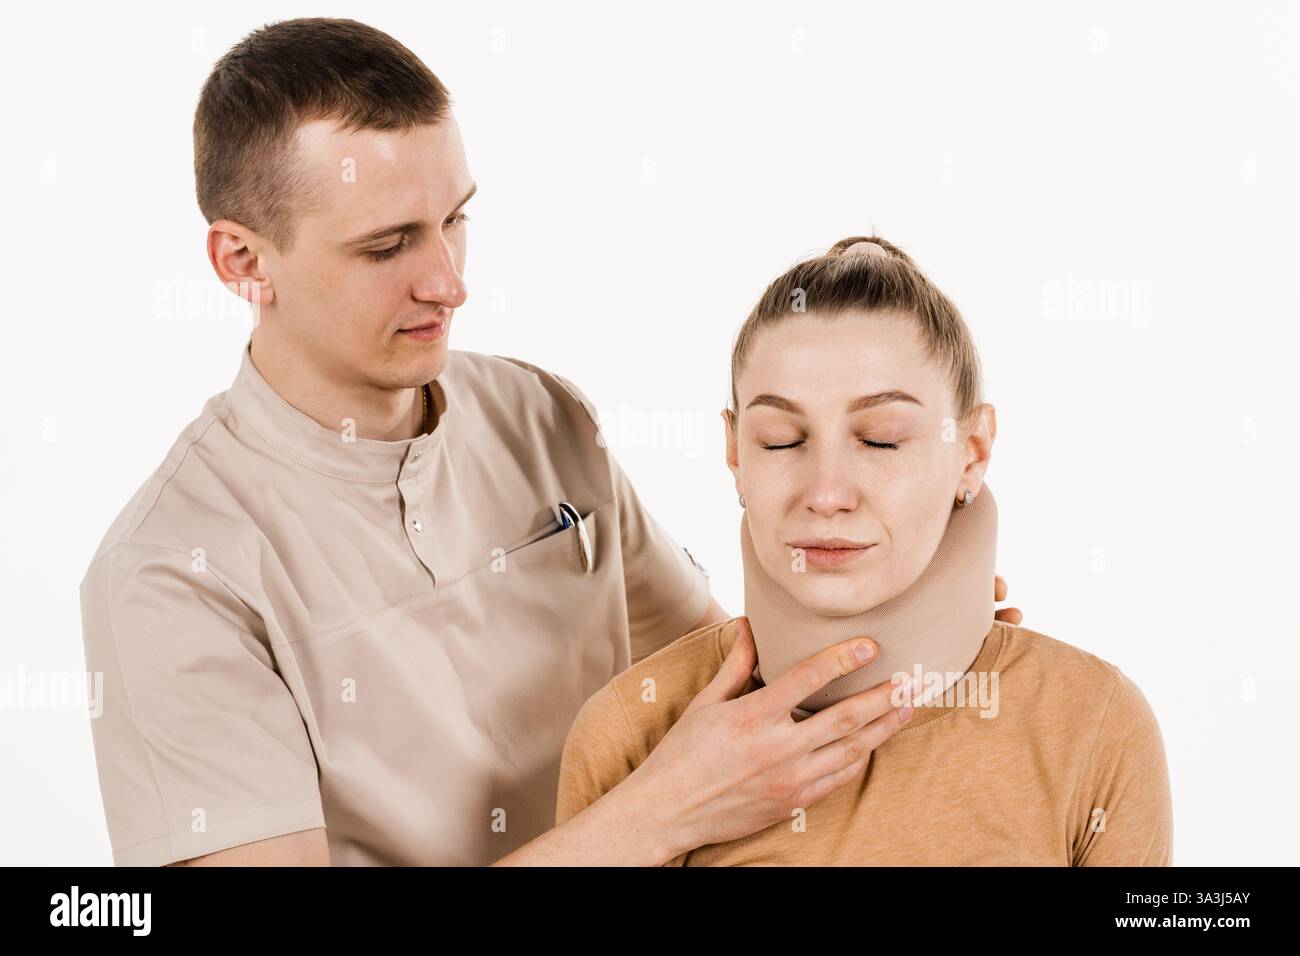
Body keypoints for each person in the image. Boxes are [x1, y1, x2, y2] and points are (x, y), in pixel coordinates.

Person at [79, 19, 1023, 867]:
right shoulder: (171, 579)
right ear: (243, 262)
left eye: (456, 220)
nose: (448, 283)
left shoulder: (539, 413)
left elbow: (717, 668)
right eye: (386, 247)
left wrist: (906, 637)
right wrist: (660, 816)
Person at [556, 235, 1172, 865]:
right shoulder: (633, 737)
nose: (826, 494)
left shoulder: (1093, 727)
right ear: (735, 452)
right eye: (780, 440)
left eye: (880, 441)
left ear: (973, 452)